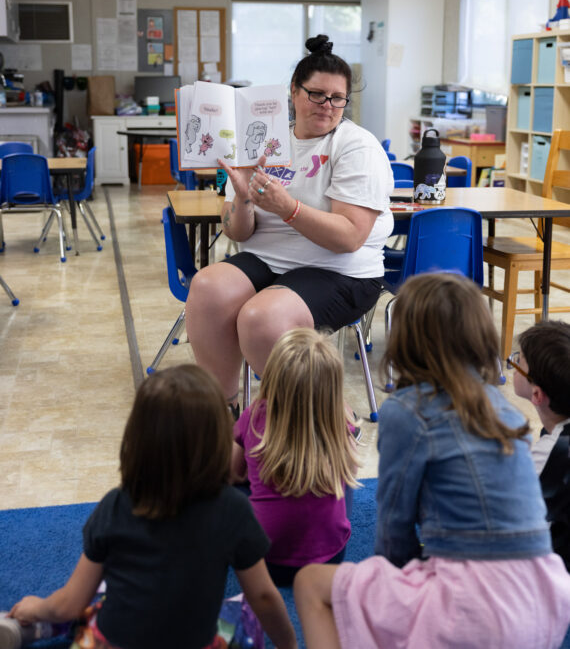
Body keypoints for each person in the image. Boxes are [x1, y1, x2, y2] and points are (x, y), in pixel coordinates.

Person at [294, 274, 570, 649]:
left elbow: (394, 528)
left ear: (405, 340)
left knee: (310, 584)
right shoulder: (505, 410)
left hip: (474, 609)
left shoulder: (407, 413)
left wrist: (399, 587)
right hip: (546, 600)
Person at [2, 366, 296, 649]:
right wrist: (289, 645)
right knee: (243, 609)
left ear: (138, 438)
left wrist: (37, 606)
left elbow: (69, 603)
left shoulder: (115, 505)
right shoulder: (233, 510)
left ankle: (35, 626)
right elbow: (264, 597)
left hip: (108, 643)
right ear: (217, 439)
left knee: (101, 597)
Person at [186, 34, 394, 412]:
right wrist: (243, 199)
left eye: (337, 98)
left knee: (261, 318)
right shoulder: (268, 140)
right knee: (207, 288)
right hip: (271, 259)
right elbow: (237, 232)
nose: (327, 106)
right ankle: (224, 411)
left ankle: (327, 421)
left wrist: (288, 208)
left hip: (340, 270)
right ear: (294, 92)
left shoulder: (356, 147)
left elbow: (349, 238)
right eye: (317, 94)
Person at [231, 327, 359, 586]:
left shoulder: (253, 417)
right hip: (331, 558)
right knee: (343, 477)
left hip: (268, 562)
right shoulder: (342, 419)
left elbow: (232, 473)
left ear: (272, 376)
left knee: (230, 489)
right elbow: (350, 472)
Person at [512, 320, 570, 571]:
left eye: (518, 361)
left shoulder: (551, 454)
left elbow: (517, 524)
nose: (513, 363)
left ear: (537, 394)